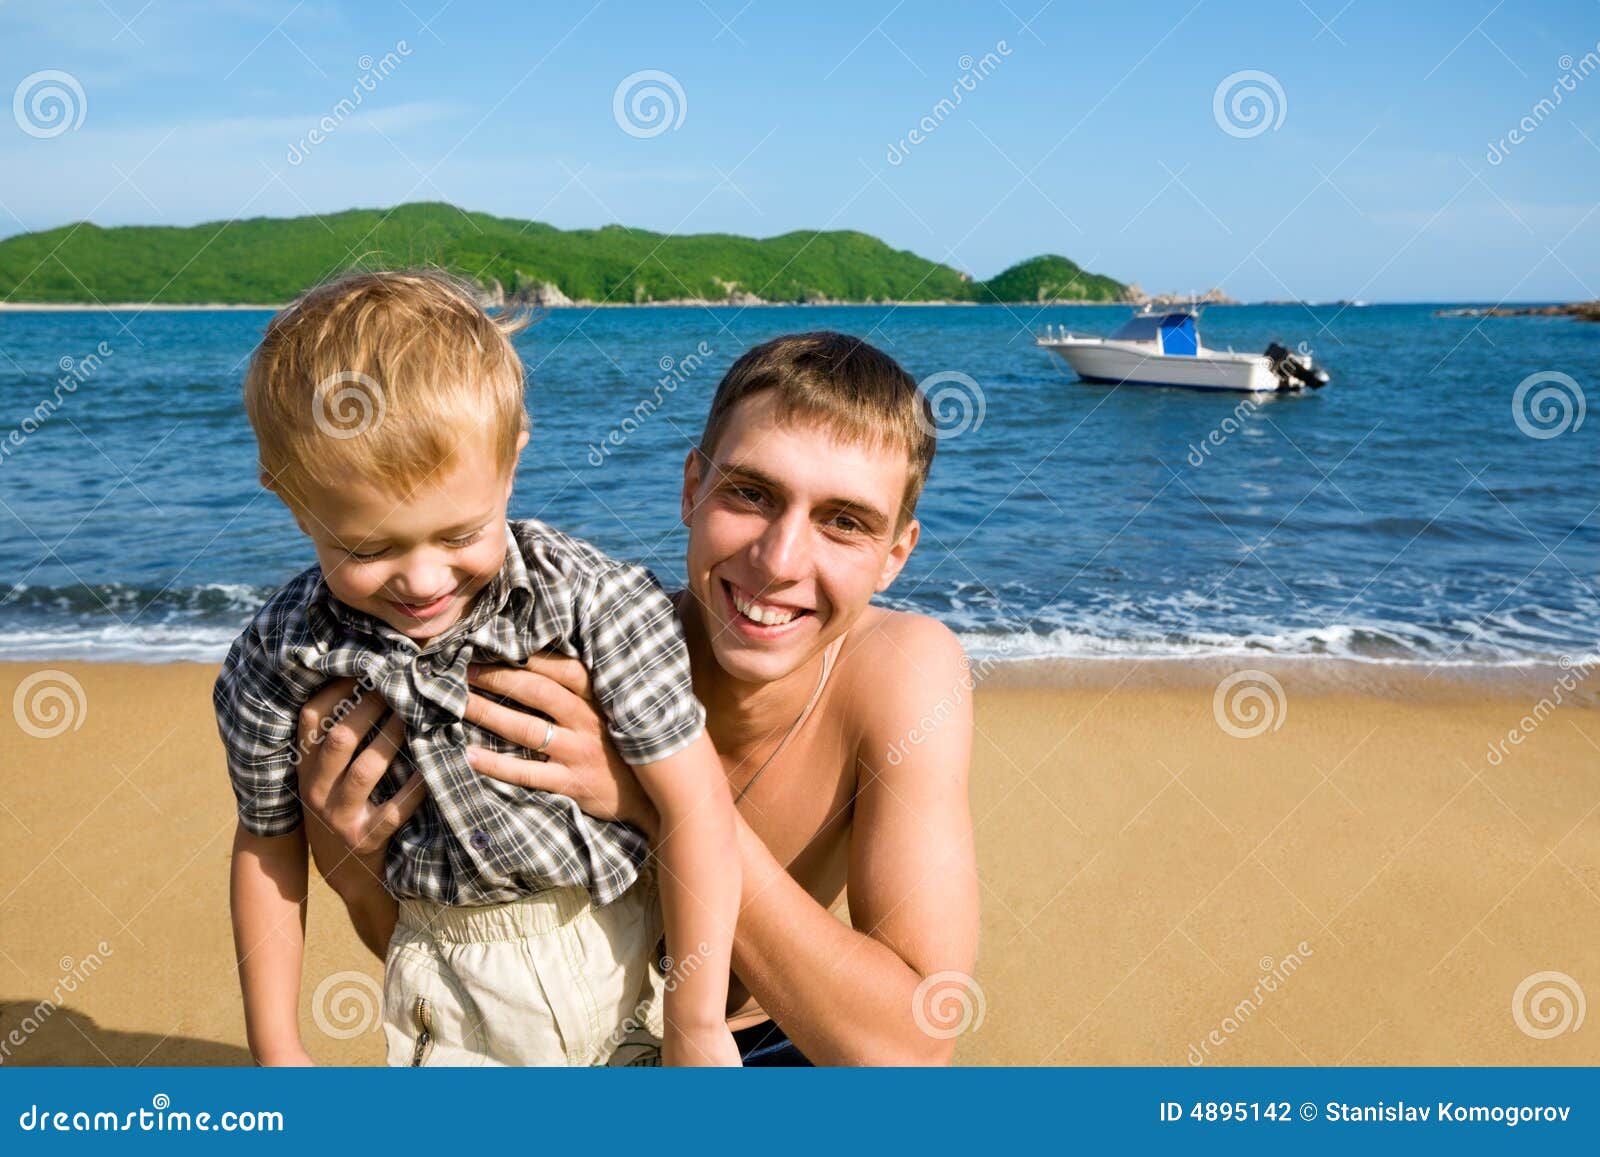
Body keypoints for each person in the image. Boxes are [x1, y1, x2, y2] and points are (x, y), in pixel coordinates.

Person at [298, 330, 980, 1065]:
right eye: (751, 493)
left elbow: (908, 1049)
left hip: (779, 1030)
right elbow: (447, 961)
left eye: (844, 522)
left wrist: (653, 796)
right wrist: (353, 866)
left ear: (895, 555)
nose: (780, 560)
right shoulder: (571, 650)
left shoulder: (900, 672)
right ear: (692, 488)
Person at [213, 270, 740, 1067]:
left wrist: (698, 1021)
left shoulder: (593, 601)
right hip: (443, 980)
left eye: (460, 533)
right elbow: (266, 845)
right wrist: (277, 1048)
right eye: (368, 548)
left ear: (512, 456)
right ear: (287, 496)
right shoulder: (278, 655)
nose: (423, 581)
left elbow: (697, 802)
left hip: (620, 941)